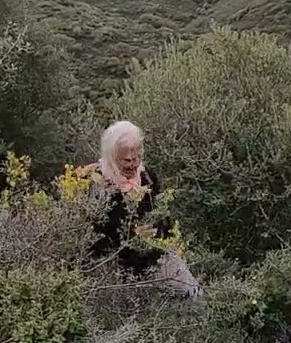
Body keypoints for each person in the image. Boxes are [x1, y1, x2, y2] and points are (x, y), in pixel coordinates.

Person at [78, 120, 202, 301]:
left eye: (137, 158)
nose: (133, 165)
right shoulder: (95, 184)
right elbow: (92, 238)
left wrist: (156, 231)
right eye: (126, 160)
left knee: (193, 294)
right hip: (113, 266)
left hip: (153, 256)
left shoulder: (148, 177)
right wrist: (130, 236)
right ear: (112, 157)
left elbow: (164, 219)